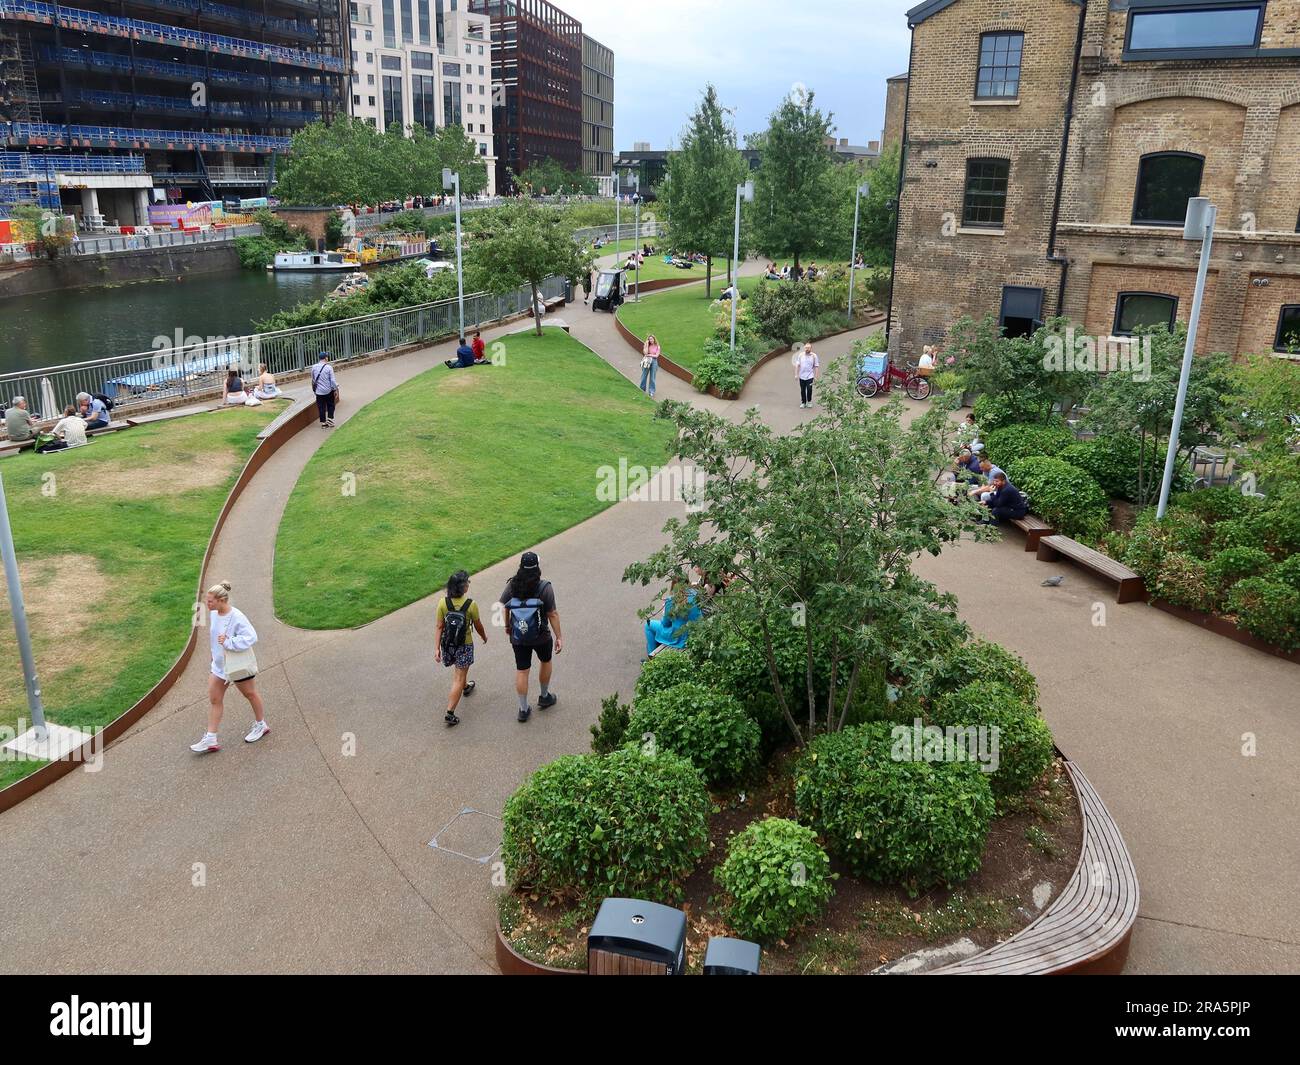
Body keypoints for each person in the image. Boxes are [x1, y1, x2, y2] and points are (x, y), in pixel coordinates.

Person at [190, 580, 268, 752]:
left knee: (250, 694)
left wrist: (229, 642)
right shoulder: (215, 613)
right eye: (207, 600)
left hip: (236, 665)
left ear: (221, 601)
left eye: (210, 601)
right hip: (219, 666)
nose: (207, 604)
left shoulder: (237, 617)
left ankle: (261, 725)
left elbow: (252, 637)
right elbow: (214, 636)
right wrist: (214, 655)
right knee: (215, 699)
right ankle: (210, 738)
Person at [500, 551, 562, 723]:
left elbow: (505, 607)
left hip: (518, 636)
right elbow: (552, 614)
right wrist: (559, 637)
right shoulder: (544, 587)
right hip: (541, 636)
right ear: (537, 567)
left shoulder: (512, 585)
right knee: (545, 661)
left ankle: (523, 708)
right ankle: (544, 696)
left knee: (522, 670)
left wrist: (507, 626)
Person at [433, 569, 489, 728]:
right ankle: (450, 713)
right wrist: (484, 637)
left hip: (448, 644)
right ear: (463, 587)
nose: (468, 585)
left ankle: (466, 686)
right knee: (458, 676)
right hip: (464, 644)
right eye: (467, 583)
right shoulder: (471, 605)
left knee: (460, 671)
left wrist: (436, 648)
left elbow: (439, 626)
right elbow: (478, 626)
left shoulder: (443, 603)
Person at [644, 576, 704, 657]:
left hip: (680, 637)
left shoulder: (672, 600)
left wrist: (664, 612)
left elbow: (665, 623)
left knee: (648, 625)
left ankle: (651, 657)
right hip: (695, 632)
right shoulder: (695, 593)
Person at [311, 352, 338, 428]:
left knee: (321, 407)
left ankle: (323, 423)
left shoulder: (314, 367)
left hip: (319, 392)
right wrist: (335, 389)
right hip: (328, 390)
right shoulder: (329, 367)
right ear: (326, 358)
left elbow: (313, 379)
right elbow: (332, 381)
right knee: (331, 405)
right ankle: (330, 419)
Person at [796, 341, 820, 408]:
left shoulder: (814, 356)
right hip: (802, 376)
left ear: (811, 349)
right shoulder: (800, 355)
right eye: (806, 348)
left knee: (809, 389)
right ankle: (803, 402)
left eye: (808, 348)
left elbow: (816, 366)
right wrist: (796, 374)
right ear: (804, 348)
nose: (807, 349)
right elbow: (797, 365)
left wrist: (816, 376)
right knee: (802, 389)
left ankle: (809, 401)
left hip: (810, 376)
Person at [640, 334, 661, 398]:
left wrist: (649, 355)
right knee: (644, 375)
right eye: (649, 339)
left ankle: (651, 391)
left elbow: (656, 355)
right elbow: (645, 353)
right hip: (647, 361)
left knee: (652, 377)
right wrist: (646, 345)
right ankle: (641, 389)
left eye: (651, 339)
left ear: (654, 339)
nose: (650, 340)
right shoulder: (647, 345)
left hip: (654, 362)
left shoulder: (657, 346)